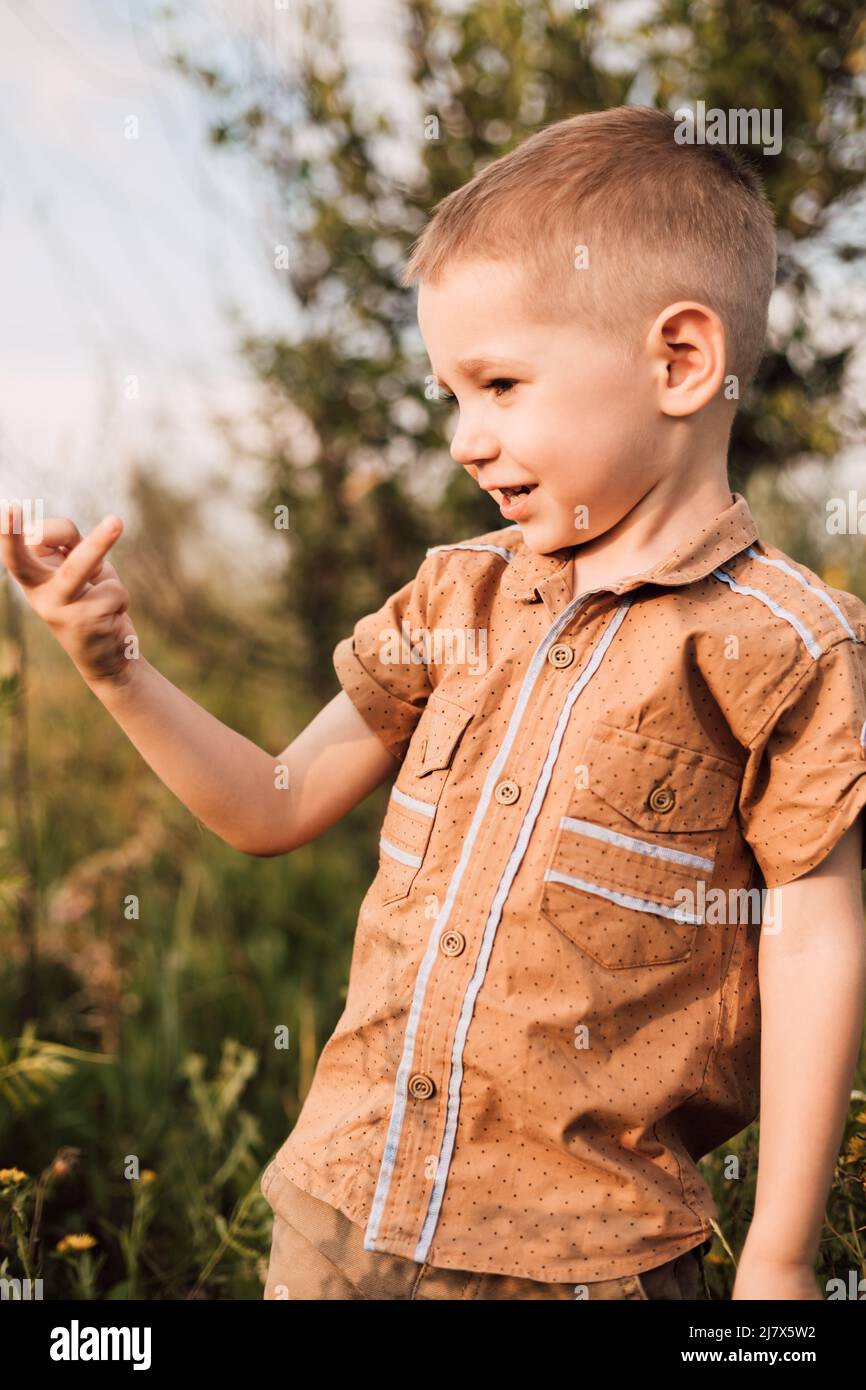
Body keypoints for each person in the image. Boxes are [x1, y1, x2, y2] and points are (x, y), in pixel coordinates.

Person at [4, 106, 866, 1302]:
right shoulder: (452, 595)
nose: (465, 439)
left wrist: (776, 1252)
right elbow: (269, 804)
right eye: (450, 395)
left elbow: (813, 939)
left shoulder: (787, 646)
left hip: (586, 1259)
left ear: (678, 361)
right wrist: (114, 665)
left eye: (499, 384)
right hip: (338, 1214)